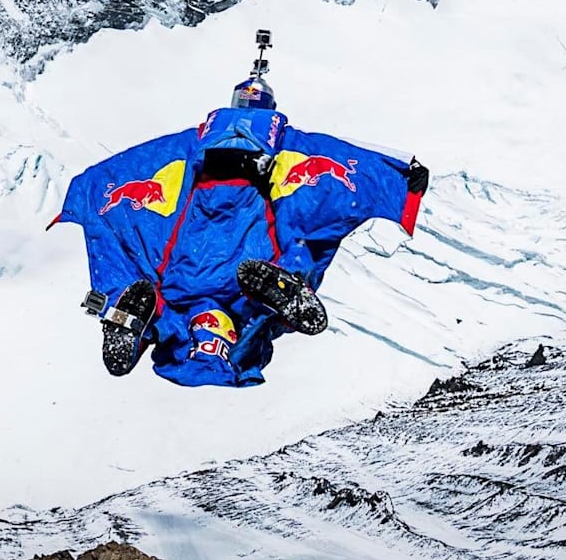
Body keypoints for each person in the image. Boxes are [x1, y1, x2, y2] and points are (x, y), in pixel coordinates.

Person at [49, 33, 429, 387]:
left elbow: (126, 170)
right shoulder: (288, 146)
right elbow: (345, 164)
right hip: (246, 276)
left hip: (183, 271)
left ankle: (126, 316)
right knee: (301, 241)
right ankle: (287, 293)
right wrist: (399, 178)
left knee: (150, 290)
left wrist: (85, 190)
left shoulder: (185, 146)